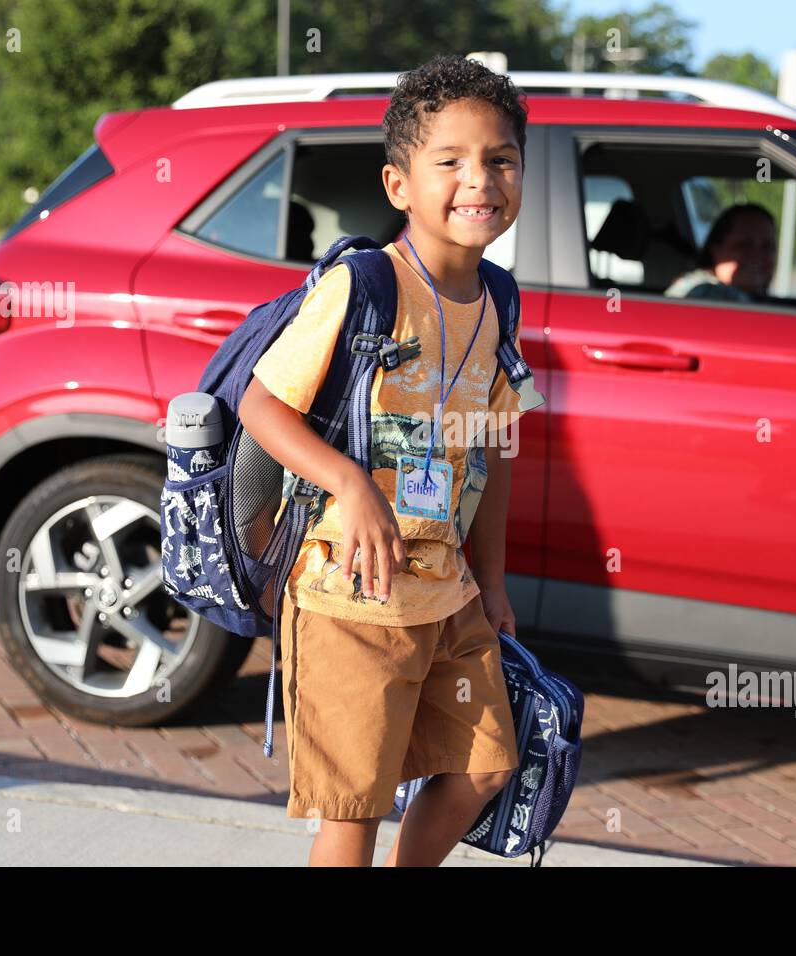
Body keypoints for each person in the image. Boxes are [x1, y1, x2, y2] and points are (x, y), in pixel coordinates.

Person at [238, 54, 532, 867]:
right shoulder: (364, 285)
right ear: (399, 184)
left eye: (500, 159)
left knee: (485, 766)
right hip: (347, 592)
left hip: (448, 592)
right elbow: (262, 407)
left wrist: (495, 579)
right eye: (452, 161)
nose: (480, 180)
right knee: (354, 807)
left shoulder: (500, 299)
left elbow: (496, 445)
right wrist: (347, 479)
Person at [666, 202, 777, 302]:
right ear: (715, 249)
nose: (756, 255)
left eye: (767, 246)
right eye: (743, 245)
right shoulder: (701, 293)